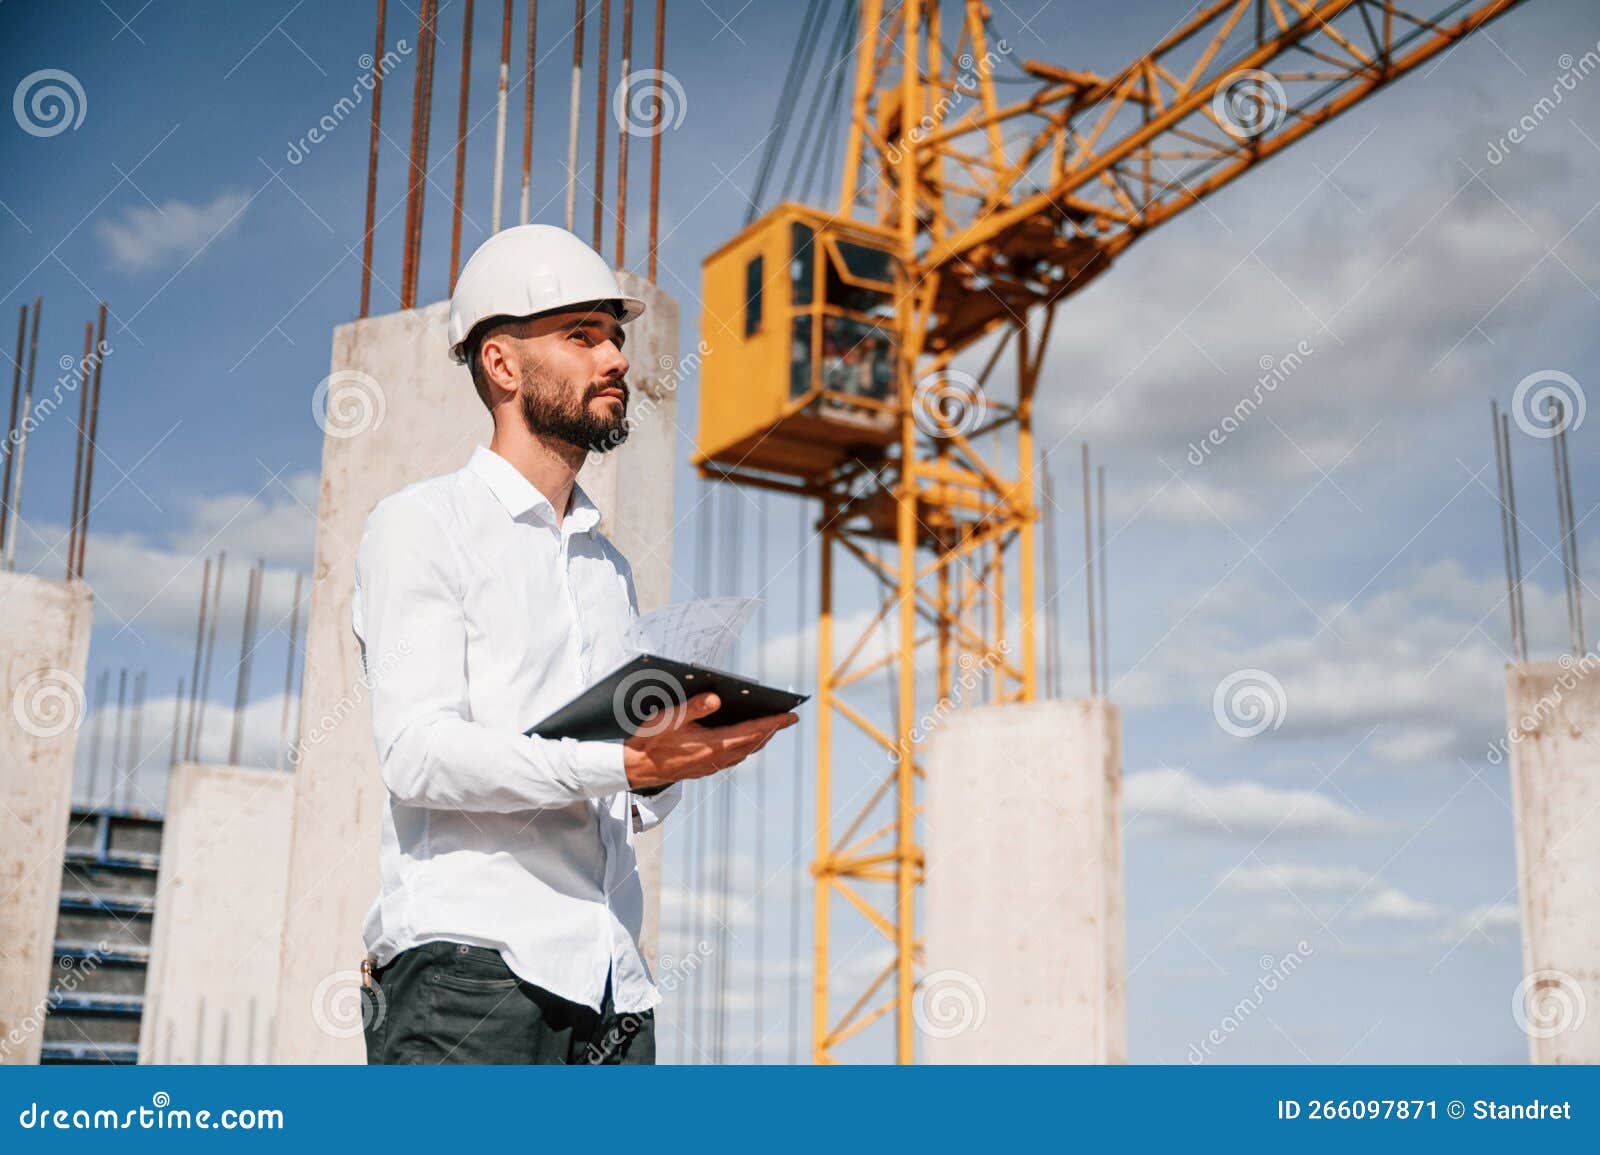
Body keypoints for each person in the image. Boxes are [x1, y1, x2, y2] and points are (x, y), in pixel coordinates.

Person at [354, 225, 797, 1064]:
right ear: (503, 365)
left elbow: (620, 796)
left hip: (612, 988)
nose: (616, 359)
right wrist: (622, 763)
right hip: (469, 976)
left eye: (617, 338)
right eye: (582, 336)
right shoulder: (421, 526)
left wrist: (671, 762)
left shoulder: (607, 567)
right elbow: (417, 755)